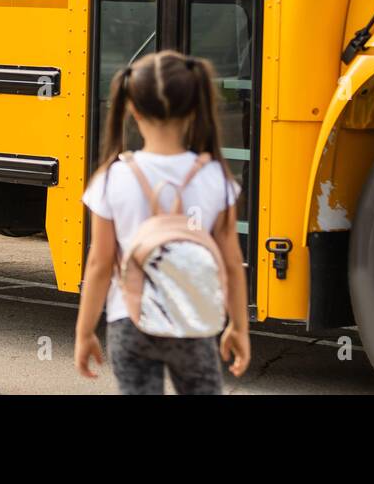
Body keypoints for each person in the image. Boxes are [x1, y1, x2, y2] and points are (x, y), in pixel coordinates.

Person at [74, 50, 251, 394]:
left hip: (129, 319)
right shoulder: (216, 177)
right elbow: (231, 264)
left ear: (132, 109)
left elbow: (99, 264)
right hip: (193, 320)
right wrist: (238, 327)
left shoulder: (113, 177)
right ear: (195, 109)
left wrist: (84, 332)